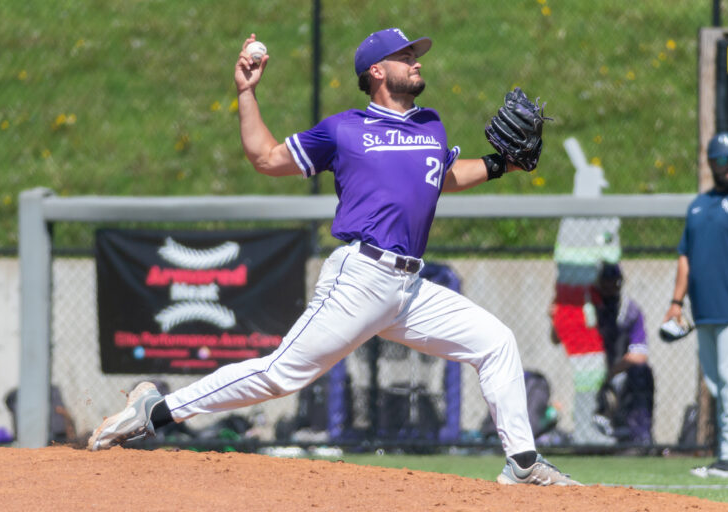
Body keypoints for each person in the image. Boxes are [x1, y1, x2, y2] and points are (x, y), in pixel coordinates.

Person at [88, 28, 579, 486]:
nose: (416, 61)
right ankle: (155, 410)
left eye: (416, 55)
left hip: (410, 289)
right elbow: (265, 157)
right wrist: (246, 93)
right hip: (361, 277)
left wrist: (499, 164)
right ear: (377, 72)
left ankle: (522, 464)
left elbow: (441, 177)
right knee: (282, 373)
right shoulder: (344, 130)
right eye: (405, 56)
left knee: (495, 342)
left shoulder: (430, 124)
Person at [663, 131, 728, 478]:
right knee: (717, 384)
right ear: (711, 163)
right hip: (705, 311)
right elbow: (685, 256)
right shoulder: (698, 206)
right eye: (722, 160)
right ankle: (727, 454)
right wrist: (675, 303)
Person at [591, 262, 654, 445]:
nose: (609, 287)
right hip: (588, 373)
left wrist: (610, 374)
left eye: (613, 282)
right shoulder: (589, 308)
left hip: (618, 374)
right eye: (605, 282)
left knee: (641, 373)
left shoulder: (629, 310)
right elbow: (558, 338)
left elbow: (640, 355)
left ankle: (638, 438)